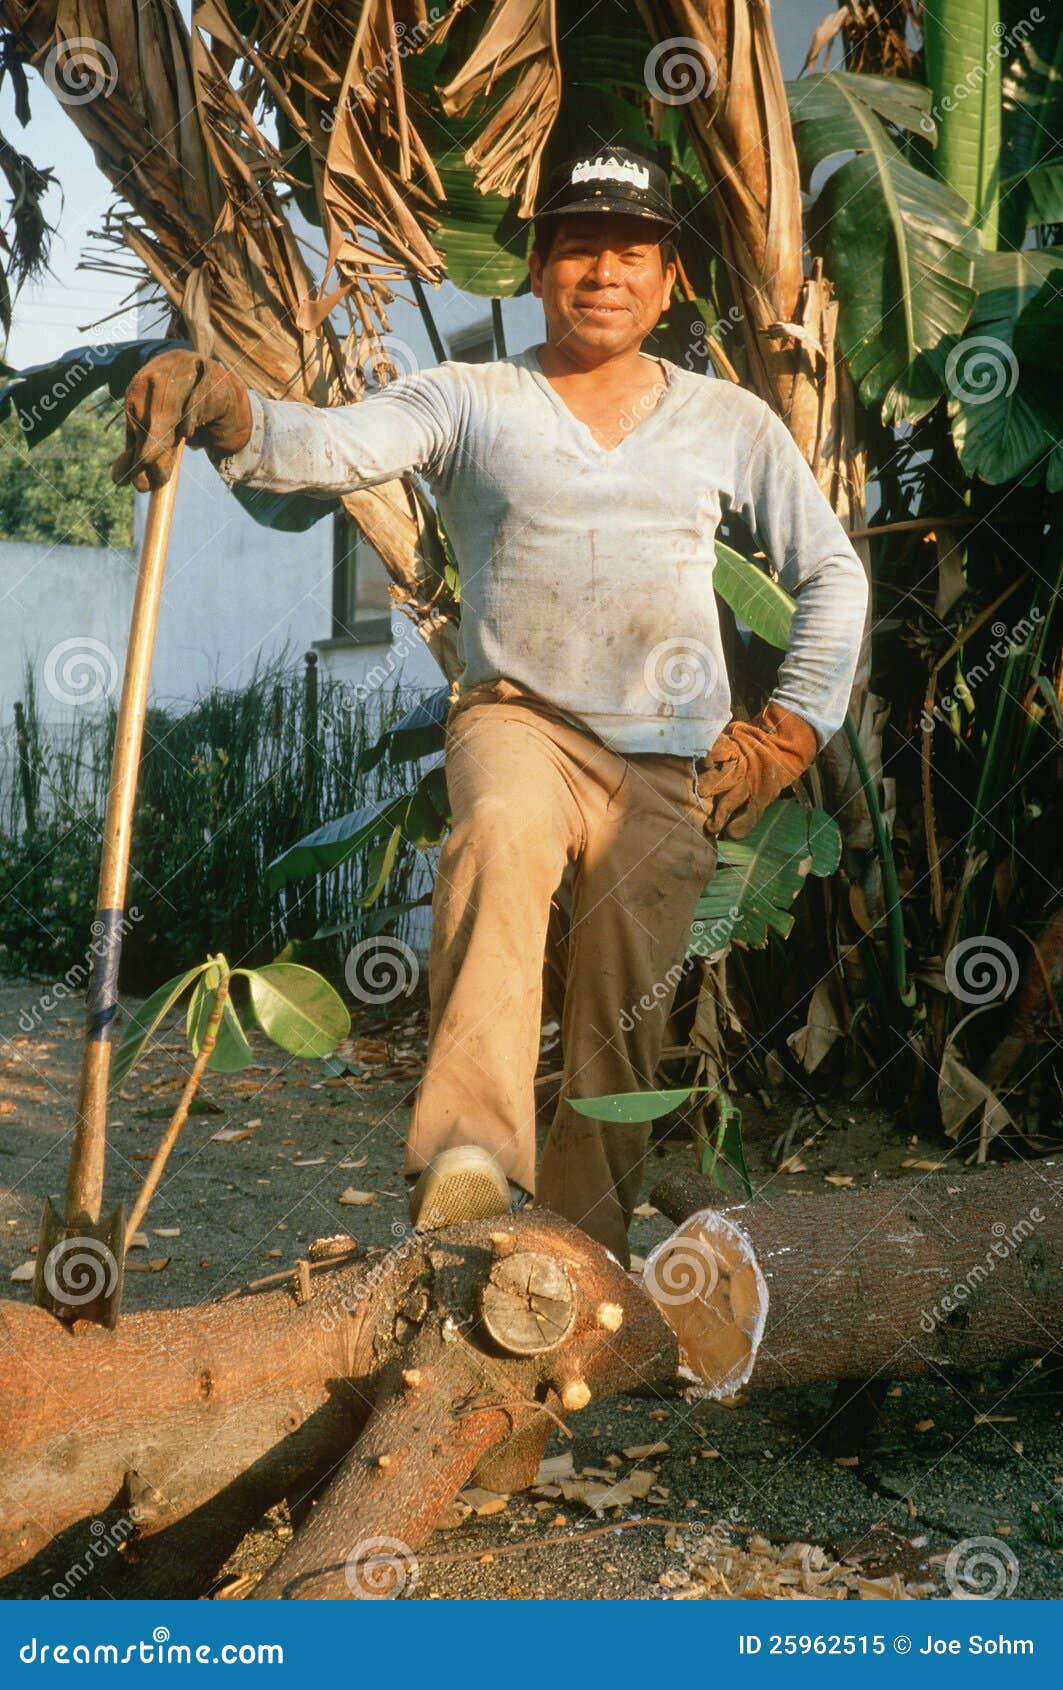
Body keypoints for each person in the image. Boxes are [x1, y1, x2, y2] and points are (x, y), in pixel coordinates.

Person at [114, 146, 868, 1266]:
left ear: (669, 283)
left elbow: (830, 573)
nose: (602, 272)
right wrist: (227, 406)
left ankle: (574, 1272)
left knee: (627, 1012)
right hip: (518, 720)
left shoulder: (730, 421)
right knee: (504, 836)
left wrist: (790, 733)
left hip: (671, 763)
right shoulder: (469, 397)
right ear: (537, 268)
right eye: (577, 249)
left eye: (631, 253)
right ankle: (466, 1156)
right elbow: (334, 445)